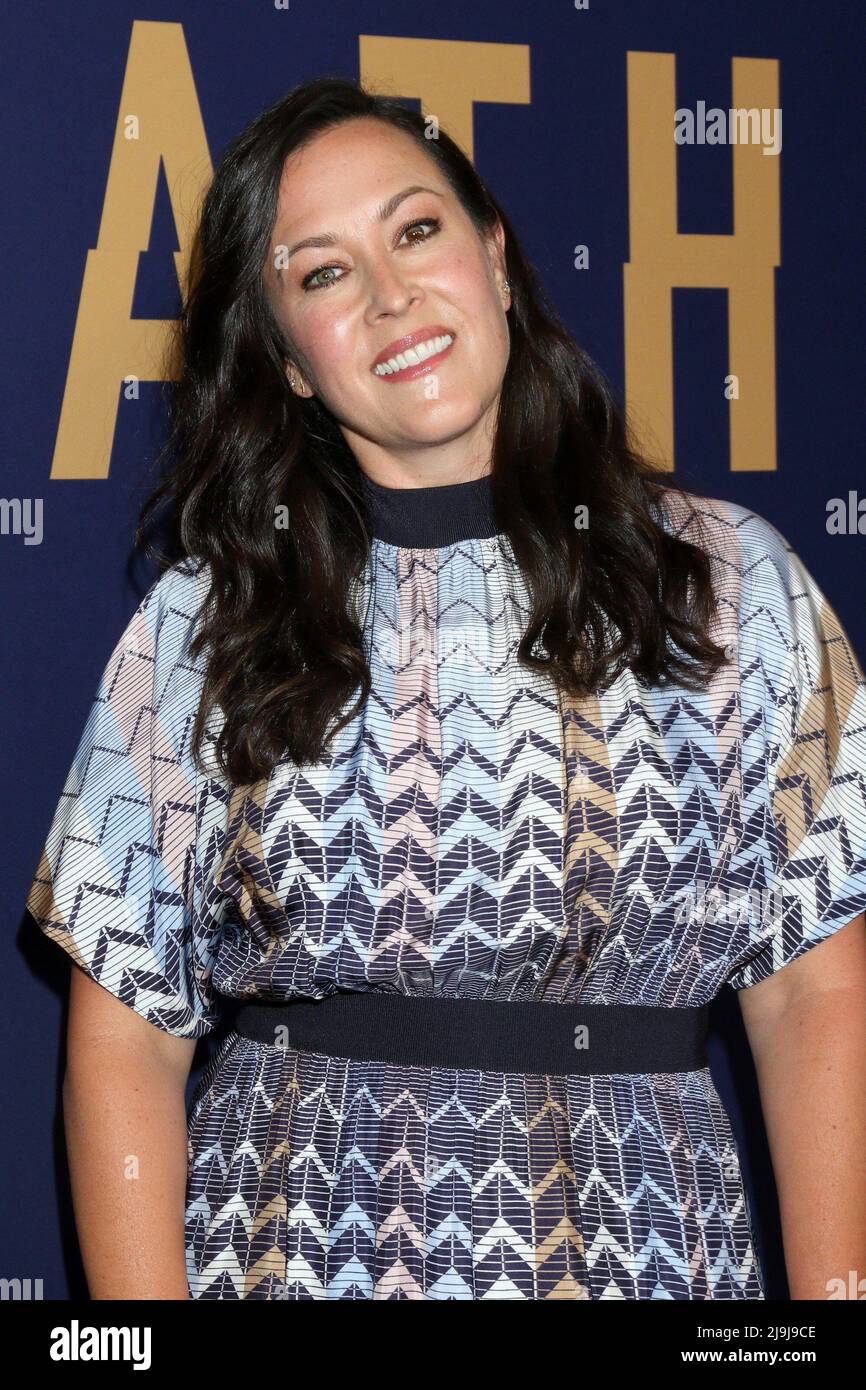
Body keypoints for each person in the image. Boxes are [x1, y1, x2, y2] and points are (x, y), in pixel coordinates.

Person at [28, 76, 866, 1301]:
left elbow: (812, 993)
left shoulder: (728, 579)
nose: (387, 296)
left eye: (415, 230)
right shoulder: (208, 618)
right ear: (292, 366)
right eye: (320, 273)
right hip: (285, 1256)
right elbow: (124, 1042)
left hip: (649, 1254)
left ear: (496, 259)